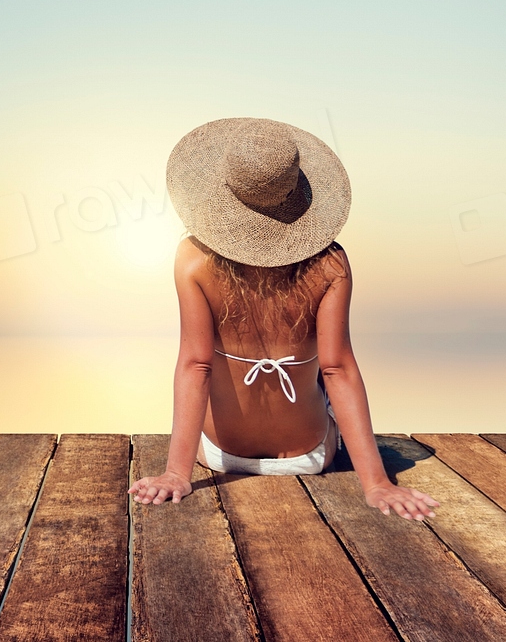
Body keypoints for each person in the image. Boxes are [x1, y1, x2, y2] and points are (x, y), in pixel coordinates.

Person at [128, 117, 439, 520]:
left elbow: (196, 364)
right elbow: (338, 369)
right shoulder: (330, 264)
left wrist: (176, 473)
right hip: (309, 456)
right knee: (323, 384)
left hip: (220, 455)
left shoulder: (193, 260)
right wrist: (378, 485)